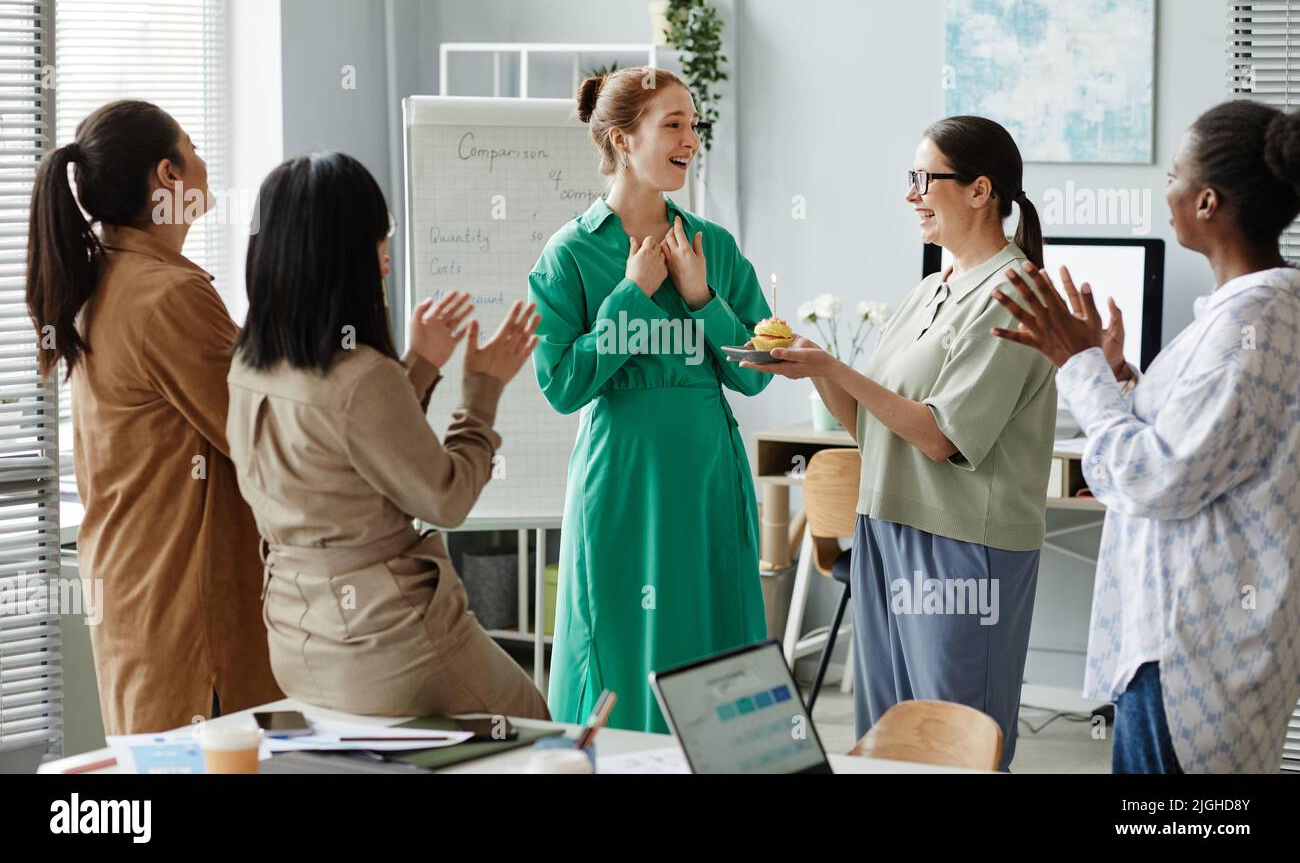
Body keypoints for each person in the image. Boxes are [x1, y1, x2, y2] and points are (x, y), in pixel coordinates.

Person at [991, 100, 1300, 774]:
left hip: (1190, 662)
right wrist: (1119, 376)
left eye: (1172, 176)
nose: (1167, 193)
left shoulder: (1245, 330)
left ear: (1208, 201)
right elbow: (1203, 448)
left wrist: (1077, 367)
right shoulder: (1256, 317)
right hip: (1201, 647)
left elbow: (1151, 478)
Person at [746, 116, 1057, 771]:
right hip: (886, 528)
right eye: (909, 179)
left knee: (952, 740)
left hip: (964, 547)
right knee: (888, 742)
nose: (912, 194)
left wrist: (835, 368)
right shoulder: (931, 289)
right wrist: (816, 365)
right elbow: (874, 426)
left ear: (980, 190)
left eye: (924, 179)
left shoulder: (1018, 291)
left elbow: (942, 436)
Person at [227, 151, 548, 720]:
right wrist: (482, 390)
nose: (386, 258)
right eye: (380, 240)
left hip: (296, 635)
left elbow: (354, 447)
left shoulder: (250, 367)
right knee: (529, 724)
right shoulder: (360, 377)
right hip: (389, 641)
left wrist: (421, 364)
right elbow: (445, 499)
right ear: (344, 254)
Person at [24, 100, 280, 734]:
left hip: (143, 603)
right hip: (191, 618)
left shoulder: (110, 278)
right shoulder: (169, 295)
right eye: (192, 149)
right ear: (168, 175)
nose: (203, 162)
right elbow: (261, 435)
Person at [528, 67, 771, 732]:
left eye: (694, 125)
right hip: (623, 482)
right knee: (616, 641)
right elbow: (562, 386)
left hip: (707, 479)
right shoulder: (569, 255)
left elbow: (755, 372)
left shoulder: (712, 247)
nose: (691, 139)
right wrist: (630, 295)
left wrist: (701, 299)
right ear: (621, 138)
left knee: (714, 635)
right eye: (673, 125)